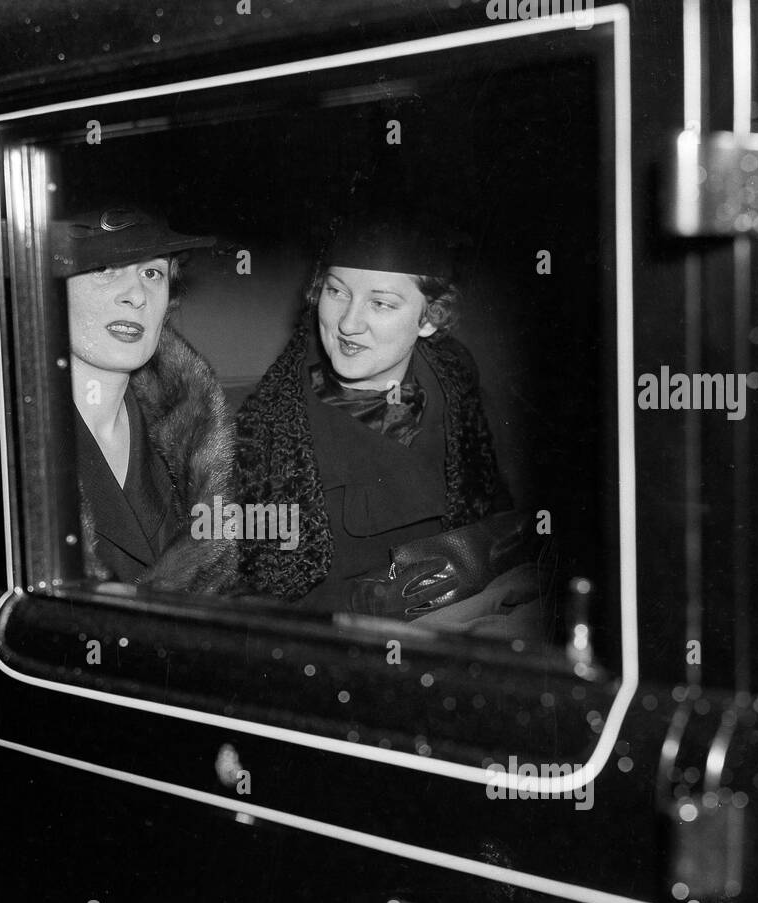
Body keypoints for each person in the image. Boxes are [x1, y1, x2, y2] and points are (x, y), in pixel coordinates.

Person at [236, 214, 543, 634]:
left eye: (380, 303)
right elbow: (260, 597)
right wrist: (370, 604)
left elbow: (498, 506)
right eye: (336, 291)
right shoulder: (274, 430)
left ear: (429, 318)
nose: (348, 323)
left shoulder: (453, 379)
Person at [52, 206, 238, 592]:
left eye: (152, 273)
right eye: (104, 269)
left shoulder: (191, 438)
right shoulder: (5, 451)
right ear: (46, 290)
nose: (136, 295)